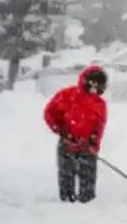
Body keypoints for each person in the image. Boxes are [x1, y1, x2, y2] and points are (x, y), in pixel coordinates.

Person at [43, 65, 108, 203]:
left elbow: (99, 127)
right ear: (88, 82)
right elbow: (49, 113)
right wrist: (62, 131)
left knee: (87, 192)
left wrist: (93, 143)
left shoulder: (100, 104)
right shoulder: (67, 95)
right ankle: (66, 208)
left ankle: (88, 209)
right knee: (66, 186)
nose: (97, 89)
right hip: (67, 146)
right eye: (95, 84)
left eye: (101, 86)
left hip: (87, 149)